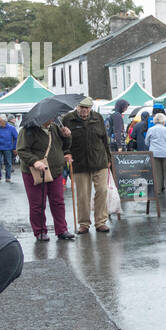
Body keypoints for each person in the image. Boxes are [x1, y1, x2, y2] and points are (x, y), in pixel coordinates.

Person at [18, 116, 74, 241]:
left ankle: (62, 230)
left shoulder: (55, 128)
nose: (52, 119)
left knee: (58, 202)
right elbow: (21, 151)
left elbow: (64, 147)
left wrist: (67, 136)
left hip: (55, 170)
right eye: (49, 117)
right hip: (35, 172)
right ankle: (40, 231)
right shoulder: (27, 130)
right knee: (38, 204)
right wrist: (34, 162)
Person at [62, 97, 113, 233]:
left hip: (99, 160)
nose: (84, 111)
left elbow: (104, 139)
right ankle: (84, 224)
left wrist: (109, 157)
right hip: (79, 162)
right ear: (77, 107)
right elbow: (63, 140)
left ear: (91, 108)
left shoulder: (98, 118)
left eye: (87, 108)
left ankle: (100, 221)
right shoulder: (68, 119)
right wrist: (66, 153)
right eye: (81, 108)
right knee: (83, 195)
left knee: (102, 190)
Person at [146, 112, 166, 199]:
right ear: (164, 121)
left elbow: (146, 142)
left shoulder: (151, 129)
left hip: (155, 153)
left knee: (157, 173)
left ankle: (158, 190)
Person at [0, 115, 18, 182]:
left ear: (4, 121)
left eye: (0, 121)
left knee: (8, 162)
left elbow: (16, 138)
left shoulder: (11, 128)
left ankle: (8, 177)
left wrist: (14, 147)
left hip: (8, 147)